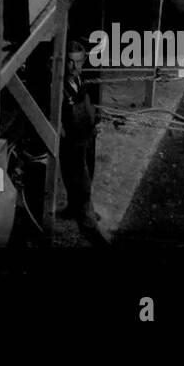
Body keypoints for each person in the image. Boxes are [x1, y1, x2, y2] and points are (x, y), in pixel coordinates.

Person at [59, 39, 104, 239]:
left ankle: (72, 208)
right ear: (63, 62)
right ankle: (90, 228)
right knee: (80, 181)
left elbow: (88, 104)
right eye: (70, 62)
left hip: (88, 134)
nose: (75, 67)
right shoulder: (59, 86)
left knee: (89, 172)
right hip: (72, 141)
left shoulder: (79, 79)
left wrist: (95, 119)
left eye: (78, 62)